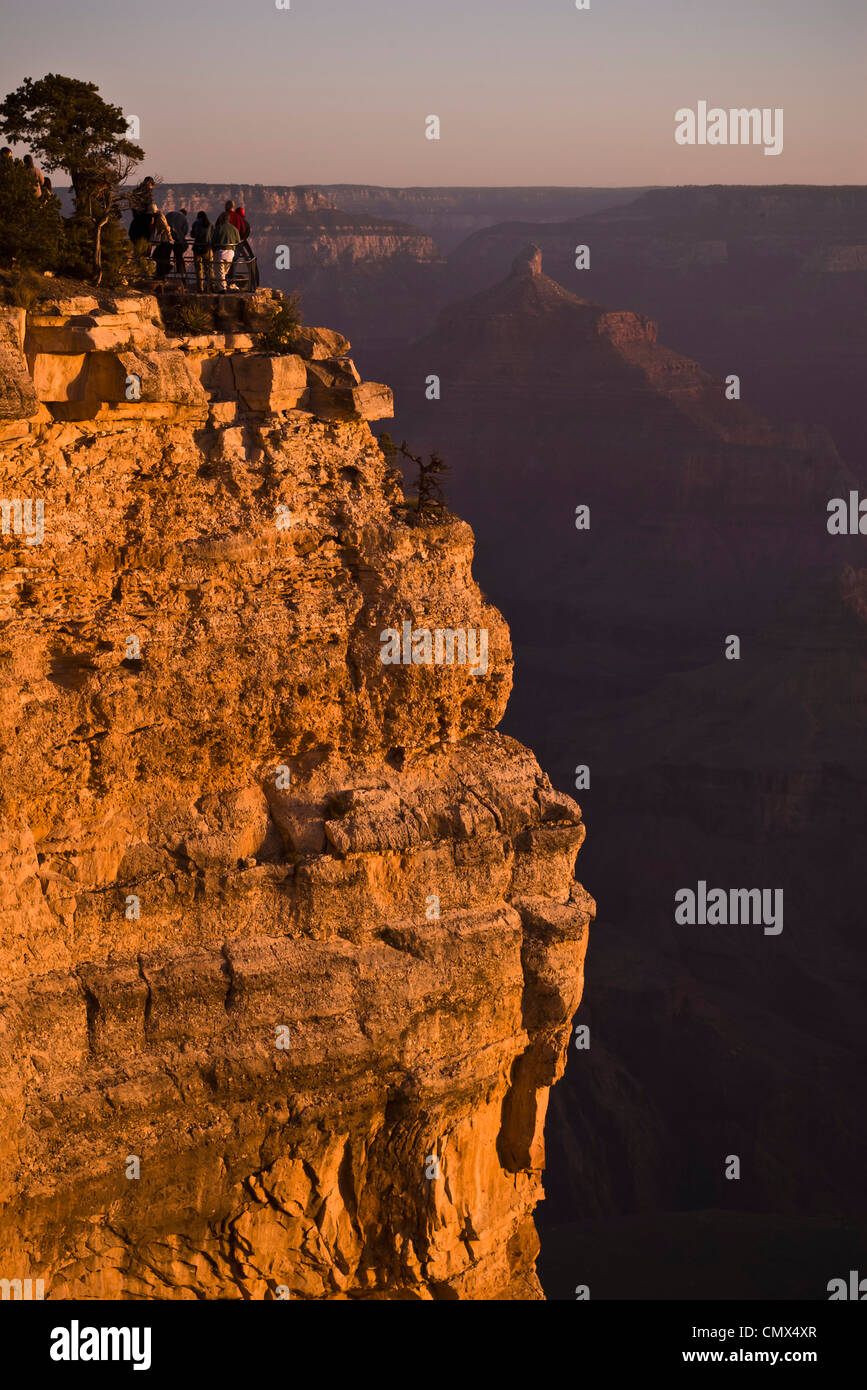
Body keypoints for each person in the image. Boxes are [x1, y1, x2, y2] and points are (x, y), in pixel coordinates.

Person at [211, 207, 240, 291]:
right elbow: (238, 241)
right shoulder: (234, 229)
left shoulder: (218, 228)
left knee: (219, 272)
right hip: (231, 253)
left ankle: (222, 290)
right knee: (224, 272)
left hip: (220, 252)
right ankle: (224, 285)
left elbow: (213, 240)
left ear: (221, 219)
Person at [190, 210, 213, 291]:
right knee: (209, 268)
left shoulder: (195, 224)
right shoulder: (210, 224)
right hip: (207, 249)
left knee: (199, 269)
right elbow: (212, 236)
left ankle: (200, 288)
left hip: (197, 249)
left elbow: (193, 235)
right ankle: (210, 287)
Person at [129, 176, 156, 244]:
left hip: (136, 217)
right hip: (146, 217)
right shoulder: (148, 191)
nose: (152, 187)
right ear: (150, 184)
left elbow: (131, 204)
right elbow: (149, 205)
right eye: (152, 185)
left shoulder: (136, 191)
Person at [151, 207, 174, 281]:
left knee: (158, 256)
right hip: (164, 241)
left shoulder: (159, 217)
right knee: (161, 258)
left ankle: (162, 274)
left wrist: (169, 237)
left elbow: (165, 228)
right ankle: (161, 275)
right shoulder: (158, 217)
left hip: (165, 241)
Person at [166, 206, 189, 277]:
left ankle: (164, 274)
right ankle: (181, 275)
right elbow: (185, 231)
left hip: (167, 239)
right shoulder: (184, 219)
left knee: (166, 256)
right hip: (177, 240)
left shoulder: (170, 214)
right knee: (179, 257)